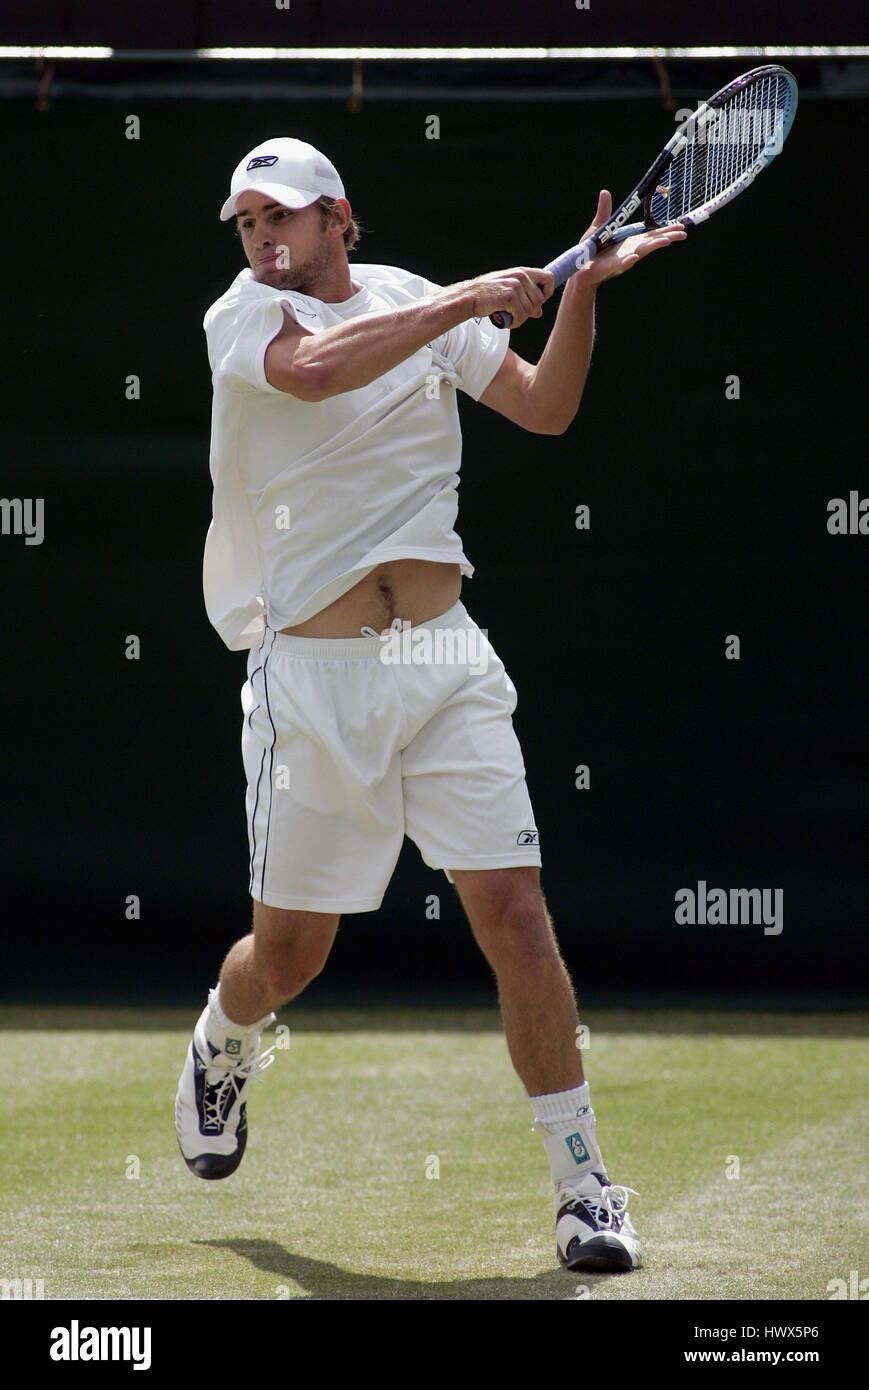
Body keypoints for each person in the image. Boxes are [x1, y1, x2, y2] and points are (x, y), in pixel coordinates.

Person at [175, 136, 684, 1275]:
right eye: (247, 219)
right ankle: (226, 1033)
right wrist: (466, 296)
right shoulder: (244, 319)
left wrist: (578, 298)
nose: (263, 237)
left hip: (445, 662)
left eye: (284, 216)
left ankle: (582, 1186)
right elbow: (319, 372)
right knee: (290, 956)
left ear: (338, 218)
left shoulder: (416, 305)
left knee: (514, 916)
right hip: (310, 684)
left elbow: (545, 409)